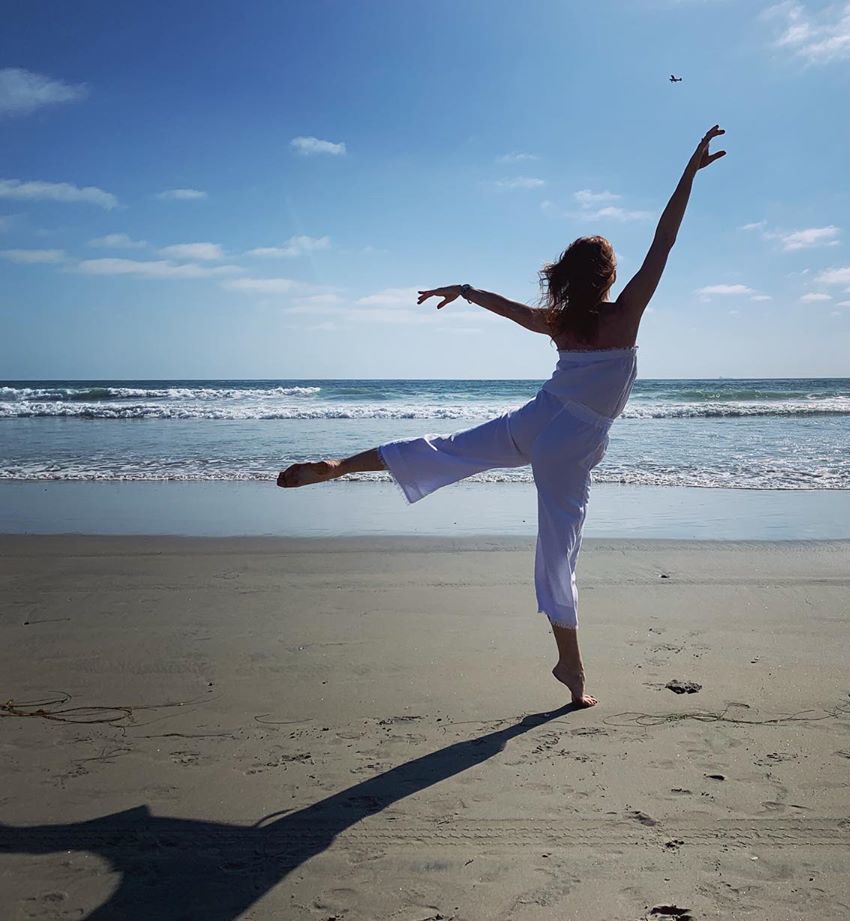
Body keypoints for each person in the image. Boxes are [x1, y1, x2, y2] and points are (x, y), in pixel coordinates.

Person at [277, 125, 727, 708]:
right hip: (572, 438)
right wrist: (688, 175)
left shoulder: (557, 322)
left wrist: (465, 290)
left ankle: (341, 466)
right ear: (609, 277)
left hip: (539, 417)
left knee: (448, 448)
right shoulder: (626, 312)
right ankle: (570, 666)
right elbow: (664, 240)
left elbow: (509, 309)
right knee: (558, 549)